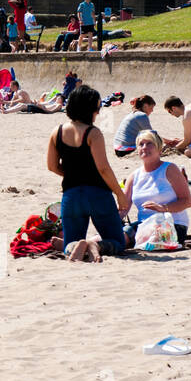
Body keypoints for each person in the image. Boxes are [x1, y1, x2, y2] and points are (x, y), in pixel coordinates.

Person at [47, 85, 130, 262]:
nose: (98, 113)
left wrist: (72, 175)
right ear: (89, 109)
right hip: (98, 194)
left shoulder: (57, 132)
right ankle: (96, 245)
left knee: (70, 244)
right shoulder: (93, 133)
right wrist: (120, 194)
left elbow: (52, 166)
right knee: (117, 241)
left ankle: (77, 246)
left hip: (72, 195)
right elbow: (103, 168)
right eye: (97, 108)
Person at [124, 131, 191, 246]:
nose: (144, 147)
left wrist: (163, 208)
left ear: (159, 149)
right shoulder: (134, 176)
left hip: (173, 224)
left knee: (141, 235)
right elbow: (123, 208)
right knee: (117, 235)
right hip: (144, 224)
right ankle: (92, 246)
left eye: (149, 143)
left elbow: (187, 201)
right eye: (141, 144)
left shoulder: (170, 169)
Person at [112, 95, 178, 157]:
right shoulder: (141, 115)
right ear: (146, 105)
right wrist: (170, 141)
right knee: (153, 145)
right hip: (126, 150)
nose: (152, 111)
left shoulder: (133, 114)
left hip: (118, 148)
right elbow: (152, 135)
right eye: (151, 107)